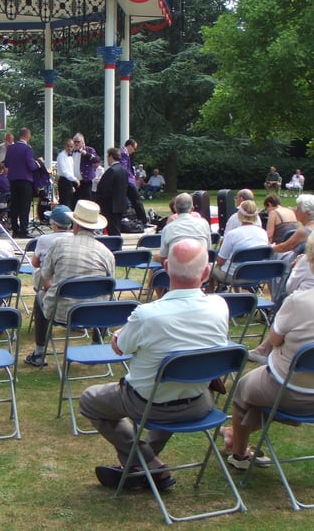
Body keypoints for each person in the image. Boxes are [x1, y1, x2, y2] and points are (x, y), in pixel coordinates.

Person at [80, 238, 230, 490]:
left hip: (149, 404)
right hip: (199, 401)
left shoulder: (147, 314)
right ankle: (142, 466)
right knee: (176, 381)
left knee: (90, 399)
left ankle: (148, 463)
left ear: (167, 267)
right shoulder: (219, 305)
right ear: (205, 273)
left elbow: (120, 348)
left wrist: (120, 334)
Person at [225, 221, 314, 470]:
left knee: (243, 387)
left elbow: (273, 340)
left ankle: (238, 452)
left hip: (292, 391)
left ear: (311, 260)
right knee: (259, 386)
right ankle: (235, 437)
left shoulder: (299, 301)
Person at [24, 200, 116, 368]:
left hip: (61, 311)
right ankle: (96, 346)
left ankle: (39, 352)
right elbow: (110, 287)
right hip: (95, 313)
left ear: (75, 225)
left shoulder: (59, 245)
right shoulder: (106, 253)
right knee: (107, 302)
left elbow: (45, 275)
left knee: (40, 297)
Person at [210, 200, 267, 288]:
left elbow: (221, 261)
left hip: (233, 276)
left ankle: (211, 293)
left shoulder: (232, 234)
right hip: (256, 275)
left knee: (208, 268)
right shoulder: (263, 233)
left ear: (239, 214)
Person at [4, 127, 42, 239]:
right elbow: (31, 166)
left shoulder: (10, 148)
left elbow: (6, 164)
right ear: (27, 136)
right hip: (25, 180)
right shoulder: (28, 149)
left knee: (15, 205)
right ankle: (24, 230)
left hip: (13, 180)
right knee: (24, 206)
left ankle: (15, 230)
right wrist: (39, 163)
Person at [155, 192, 210, 264]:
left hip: (176, 269)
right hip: (200, 265)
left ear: (175, 208)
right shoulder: (204, 224)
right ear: (192, 208)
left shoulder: (168, 228)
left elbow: (163, 257)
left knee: (156, 257)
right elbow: (208, 249)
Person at [29, 205, 73, 291]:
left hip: (50, 282)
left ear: (53, 224)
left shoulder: (43, 239)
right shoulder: (75, 237)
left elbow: (35, 263)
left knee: (39, 271)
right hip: (70, 279)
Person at [271, 193, 314, 260]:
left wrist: (270, 247)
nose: (295, 210)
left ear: (306, 212)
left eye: (298, 208)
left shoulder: (303, 232)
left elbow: (284, 247)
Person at [96, 147, 129, 236]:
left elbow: (103, 188)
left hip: (110, 205)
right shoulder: (124, 171)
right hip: (120, 205)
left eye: (107, 156)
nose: (107, 159)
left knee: (113, 230)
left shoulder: (111, 171)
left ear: (111, 156)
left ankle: (116, 246)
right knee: (117, 228)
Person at [119, 139, 148, 225]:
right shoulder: (124, 153)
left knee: (129, 201)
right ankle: (143, 220)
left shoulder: (124, 153)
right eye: (134, 148)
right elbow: (124, 168)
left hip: (126, 181)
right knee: (137, 201)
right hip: (127, 181)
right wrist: (131, 177)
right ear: (130, 146)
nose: (134, 151)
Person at [71, 133, 99, 203]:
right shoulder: (70, 151)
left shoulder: (89, 150)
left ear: (83, 143)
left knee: (86, 202)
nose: (76, 143)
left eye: (78, 142)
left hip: (85, 181)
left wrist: (86, 154)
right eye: (75, 141)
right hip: (73, 182)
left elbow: (96, 160)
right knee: (74, 201)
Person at [55, 137, 80, 210]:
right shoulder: (61, 156)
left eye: (71, 146)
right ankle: (64, 220)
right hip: (63, 181)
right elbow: (64, 171)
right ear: (65, 146)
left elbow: (71, 171)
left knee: (70, 203)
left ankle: (68, 220)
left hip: (69, 181)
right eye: (68, 146)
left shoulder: (70, 157)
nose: (69, 148)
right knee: (65, 203)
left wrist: (72, 184)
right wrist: (75, 179)